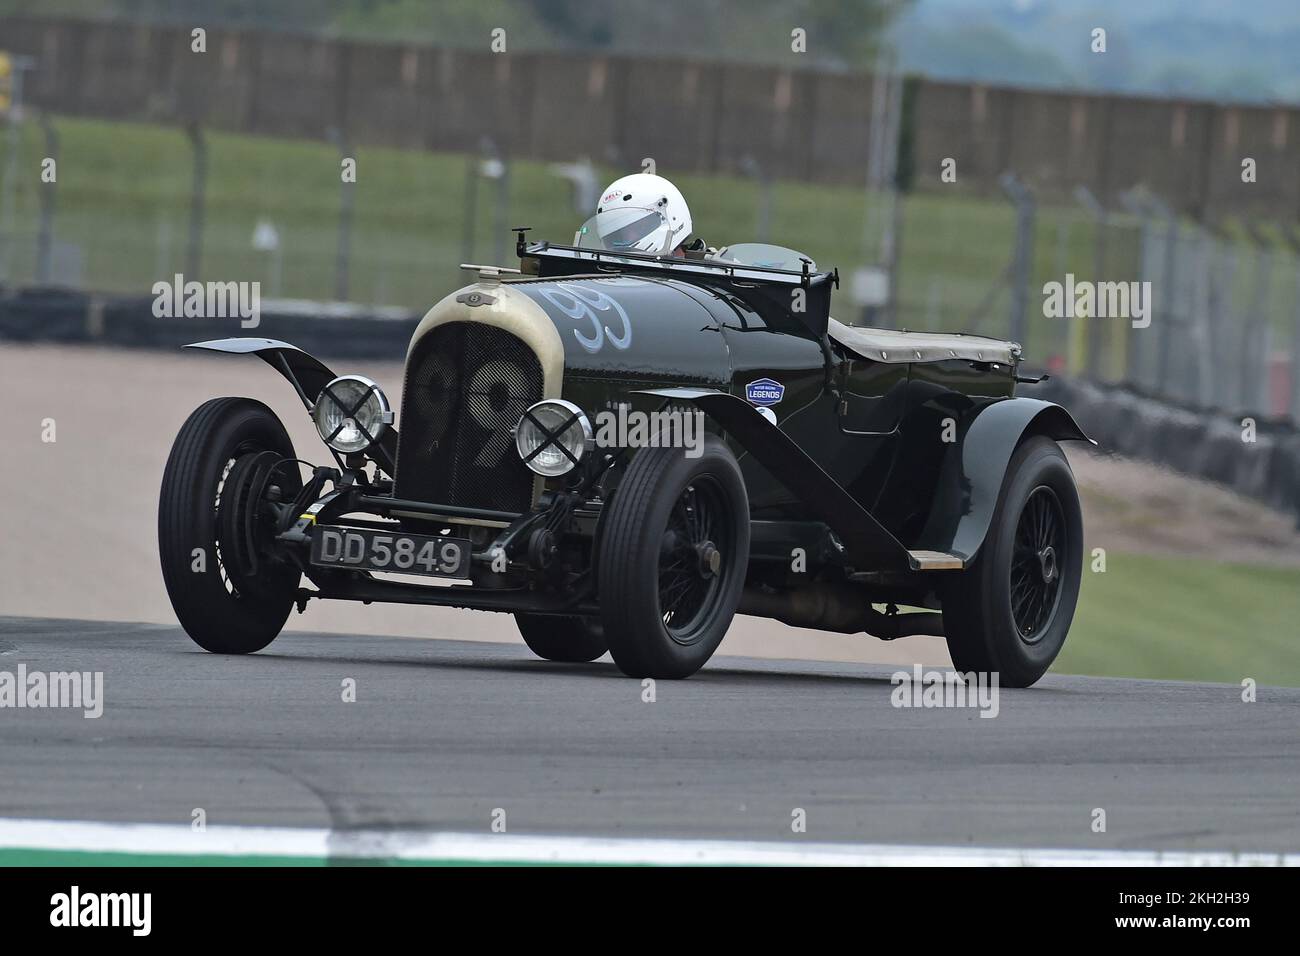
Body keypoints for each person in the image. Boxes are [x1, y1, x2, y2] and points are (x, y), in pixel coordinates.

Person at [578, 173, 713, 258]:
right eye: (616, 235)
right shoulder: (608, 280)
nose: (625, 239)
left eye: (635, 228)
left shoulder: (710, 277)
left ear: (671, 217)